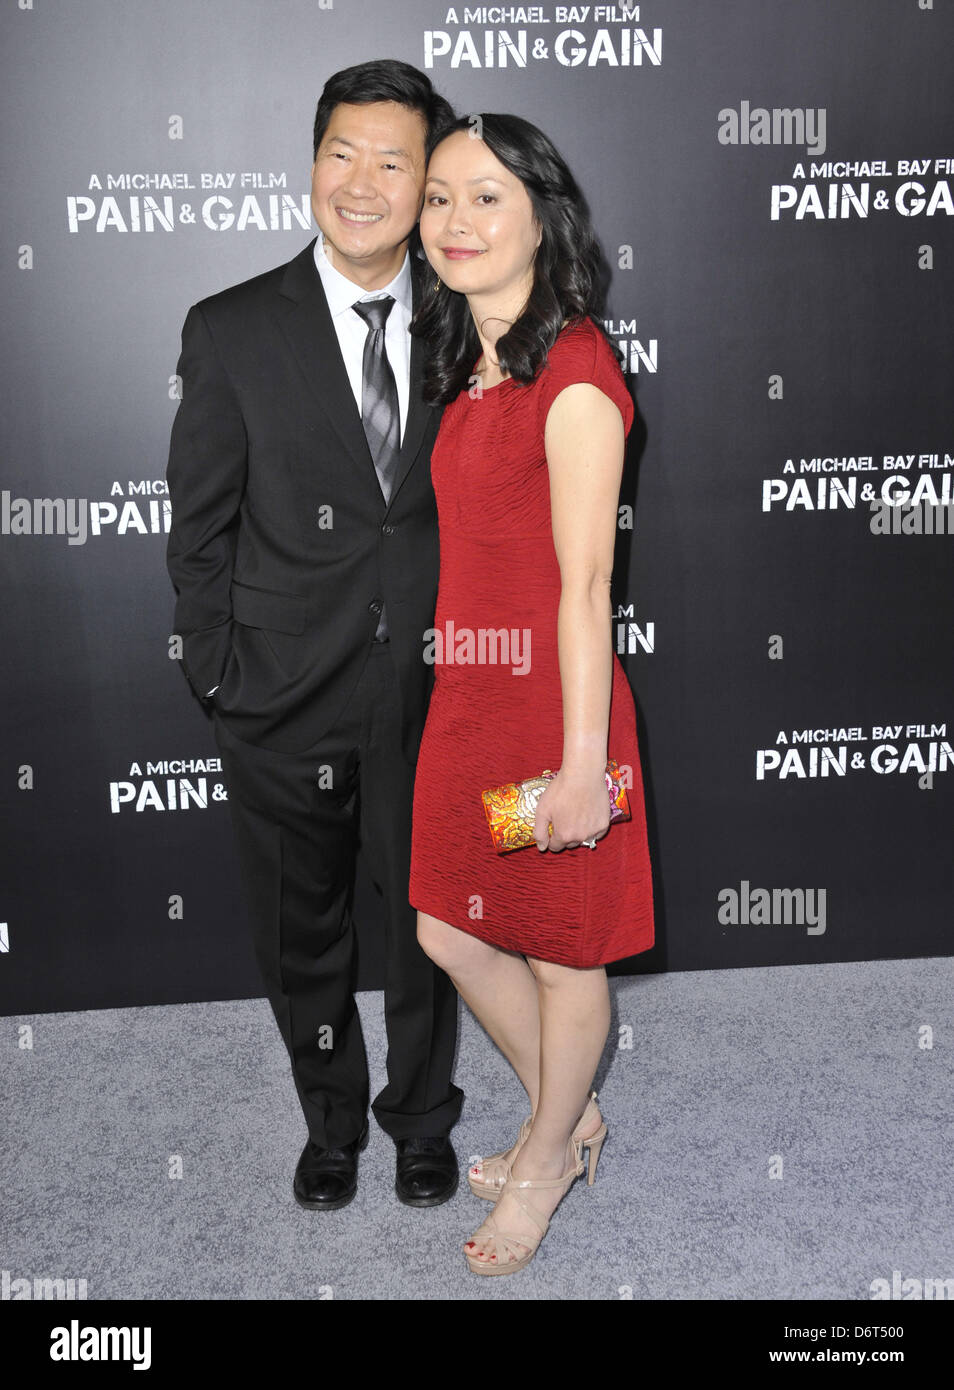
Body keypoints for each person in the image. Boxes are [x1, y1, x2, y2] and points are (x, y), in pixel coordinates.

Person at [165, 60, 463, 1212]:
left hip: (436, 689)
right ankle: (331, 1120)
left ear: (425, 184)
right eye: (344, 152)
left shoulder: (468, 321)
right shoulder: (232, 328)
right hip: (282, 692)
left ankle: (421, 1118)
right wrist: (221, 673)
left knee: (426, 920)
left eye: (395, 162)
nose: (364, 181)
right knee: (306, 931)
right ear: (310, 167)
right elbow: (199, 530)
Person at [409, 113, 655, 1274]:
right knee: (447, 928)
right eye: (440, 197)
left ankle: (551, 1152)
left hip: (551, 715)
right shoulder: (467, 358)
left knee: (565, 956)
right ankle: (573, 1110)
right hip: (469, 700)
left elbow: (589, 582)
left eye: (487, 197)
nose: (457, 221)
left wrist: (578, 766)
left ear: (543, 218)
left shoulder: (577, 370)